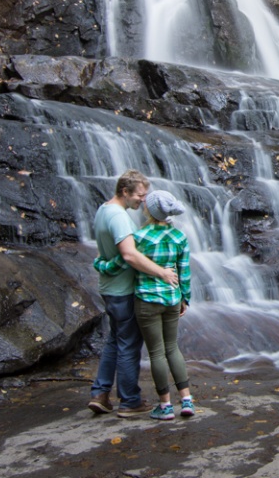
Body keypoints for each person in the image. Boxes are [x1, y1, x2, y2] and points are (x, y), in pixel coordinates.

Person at [88, 170, 179, 418]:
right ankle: (129, 401)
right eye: (140, 195)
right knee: (129, 345)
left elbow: (109, 256)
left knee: (114, 341)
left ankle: (100, 393)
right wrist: (162, 273)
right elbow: (128, 255)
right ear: (125, 192)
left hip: (109, 287)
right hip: (124, 289)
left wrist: (101, 265)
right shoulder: (118, 216)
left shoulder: (104, 209)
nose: (143, 200)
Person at [132, 189, 195, 420]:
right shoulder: (179, 237)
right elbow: (184, 272)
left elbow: (126, 263)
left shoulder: (140, 237)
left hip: (147, 300)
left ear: (148, 210)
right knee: (172, 348)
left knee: (156, 353)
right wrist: (184, 298)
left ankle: (165, 405)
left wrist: (103, 266)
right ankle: (187, 400)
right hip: (172, 299)